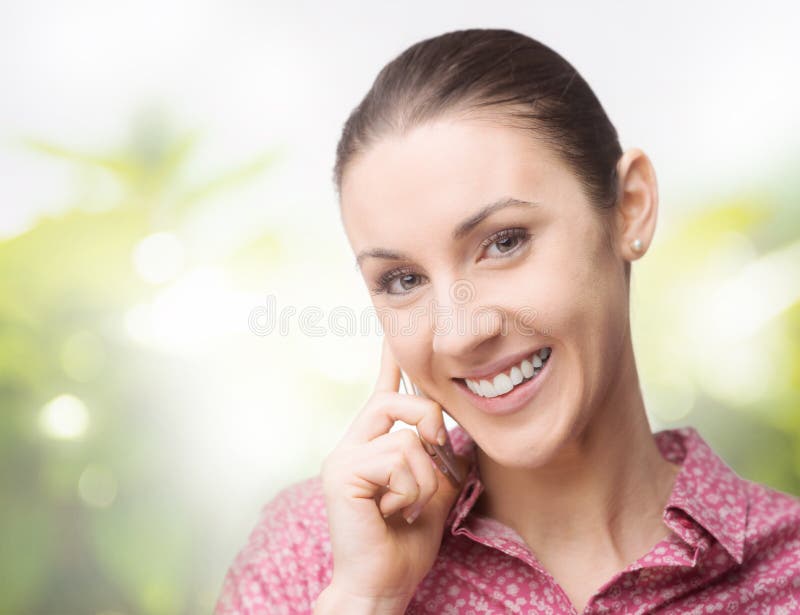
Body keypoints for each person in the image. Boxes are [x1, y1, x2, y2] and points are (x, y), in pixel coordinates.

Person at [214, 28, 800, 614]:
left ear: (629, 208)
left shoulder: (787, 570)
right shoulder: (308, 558)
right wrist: (368, 598)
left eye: (504, 241)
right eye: (404, 280)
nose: (461, 332)